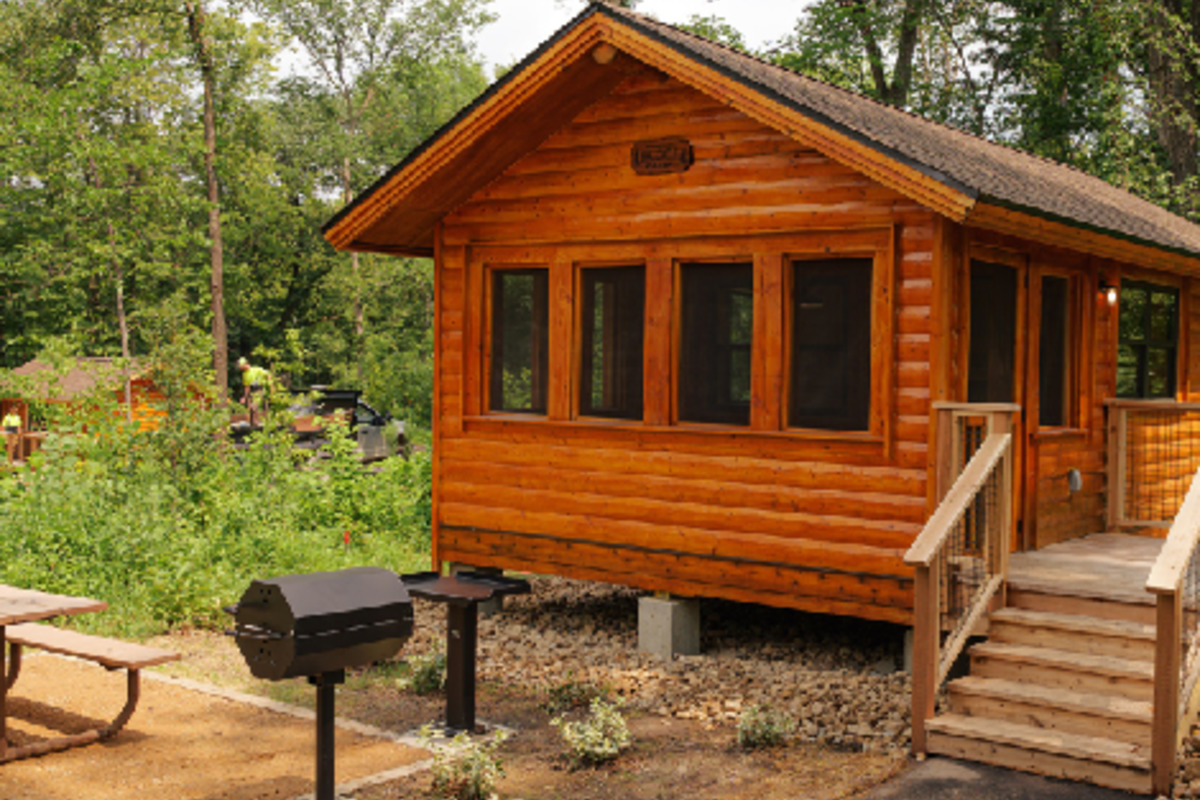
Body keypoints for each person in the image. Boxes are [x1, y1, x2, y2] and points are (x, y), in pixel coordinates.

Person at [238, 357, 271, 425]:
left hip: (259, 390)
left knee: (254, 406)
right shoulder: (244, 374)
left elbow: (268, 374)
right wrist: (244, 397)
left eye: (241, 366)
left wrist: (270, 385)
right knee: (250, 408)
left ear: (246, 364)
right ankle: (253, 423)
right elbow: (247, 387)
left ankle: (259, 422)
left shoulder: (257, 370)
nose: (241, 368)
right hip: (252, 391)